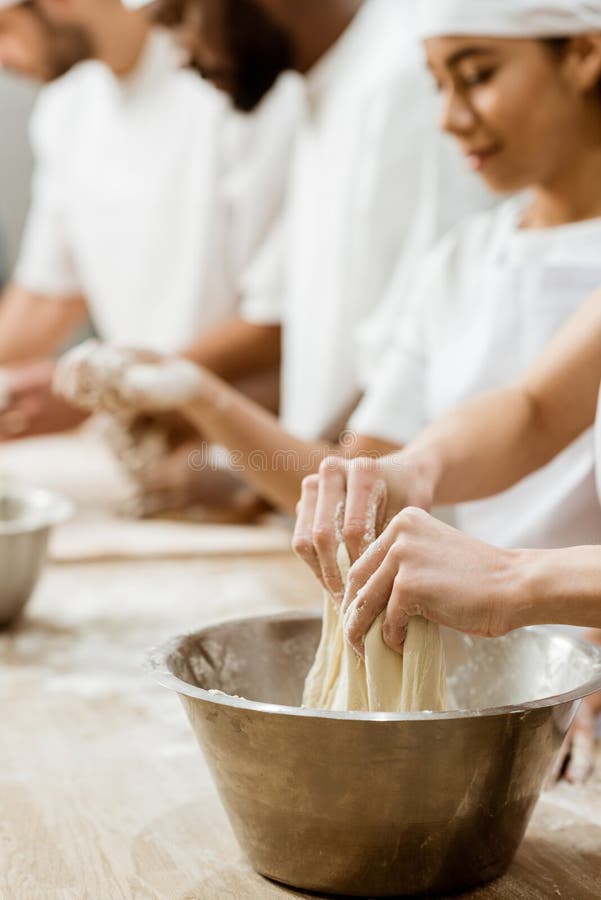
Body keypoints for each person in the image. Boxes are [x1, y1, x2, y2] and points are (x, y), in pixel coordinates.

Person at [51, 0, 492, 512]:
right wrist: (258, 461)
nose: (181, 58)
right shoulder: (323, 91)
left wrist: (270, 477)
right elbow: (326, 347)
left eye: (182, 20)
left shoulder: (405, 84)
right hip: (346, 508)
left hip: (422, 523)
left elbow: (426, 350)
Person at [0, 0, 299, 449]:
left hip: (268, 435)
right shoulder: (65, 108)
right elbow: (48, 295)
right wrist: (113, 390)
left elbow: (280, 315)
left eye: (3, 30)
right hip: (150, 429)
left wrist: (109, 388)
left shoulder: (221, 73)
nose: (2, 60)